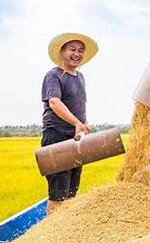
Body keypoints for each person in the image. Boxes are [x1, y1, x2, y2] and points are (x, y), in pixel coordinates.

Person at [41, 33, 98, 214]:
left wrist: (83, 124)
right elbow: (54, 102)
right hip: (57, 137)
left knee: (72, 191)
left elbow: (80, 104)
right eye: (72, 49)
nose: (77, 54)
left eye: (80, 51)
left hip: (75, 138)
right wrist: (76, 122)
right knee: (58, 193)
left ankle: (65, 235)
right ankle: (52, 235)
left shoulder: (80, 77)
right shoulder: (54, 76)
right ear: (61, 52)